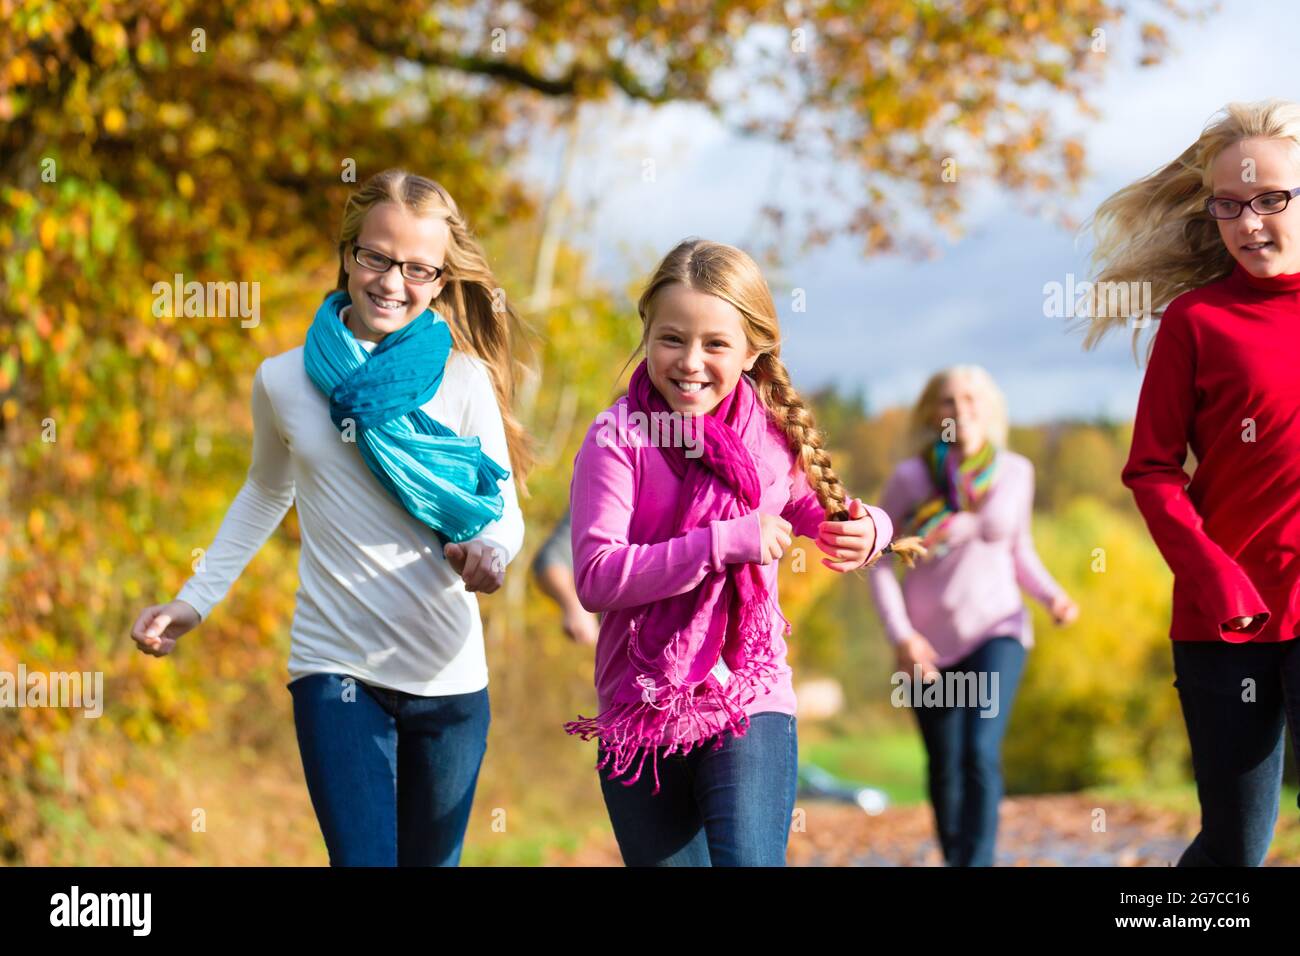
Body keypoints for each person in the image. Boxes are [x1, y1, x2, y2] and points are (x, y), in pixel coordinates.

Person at [128, 168, 531, 866]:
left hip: (447, 678)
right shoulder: (283, 380)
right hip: (334, 666)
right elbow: (263, 492)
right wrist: (196, 600)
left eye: (416, 268)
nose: (390, 281)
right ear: (347, 253)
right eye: (375, 257)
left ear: (439, 280)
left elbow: (502, 513)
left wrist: (490, 556)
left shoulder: (463, 381)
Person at [563, 238, 921, 866]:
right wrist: (724, 542)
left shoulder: (771, 437)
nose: (690, 361)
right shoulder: (617, 438)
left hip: (748, 700)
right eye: (672, 339)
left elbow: (831, 512)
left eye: (716, 344)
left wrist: (875, 530)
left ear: (754, 350)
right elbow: (596, 578)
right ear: (646, 334)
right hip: (642, 705)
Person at [1086, 100, 1300, 866]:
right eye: (1230, 206)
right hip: (1224, 622)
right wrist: (1216, 576)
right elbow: (1149, 469)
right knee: (1236, 847)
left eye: (1272, 199)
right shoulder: (1196, 321)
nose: (1249, 223)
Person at [868, 365, 1077, 867]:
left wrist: (1052, 598)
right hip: (927, 644)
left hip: (997, 629)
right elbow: (877, 562)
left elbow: (1018, 550)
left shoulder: (1016, 472)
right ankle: (958, 859)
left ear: (989, 407)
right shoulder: (911, 478)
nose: (960, 409)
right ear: (932, 413)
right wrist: (903, 638)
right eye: (947, 400)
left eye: (970, 398)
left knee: (980, 751)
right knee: (945, 764)